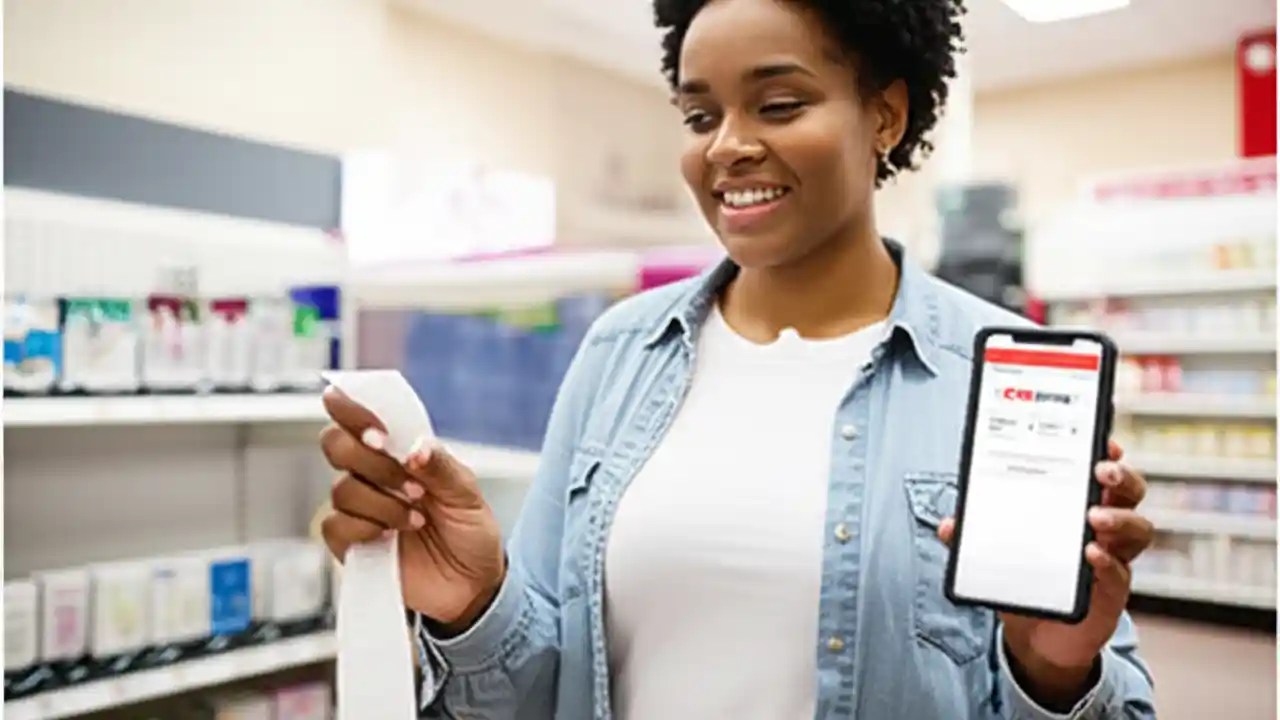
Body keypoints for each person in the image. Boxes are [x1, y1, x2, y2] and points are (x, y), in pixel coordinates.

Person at [318, 0, 1158, 717]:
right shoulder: (619, 353)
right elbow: (539, 690)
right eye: (700, 116)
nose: (726, 145)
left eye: (779, 104)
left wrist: (1054, 670)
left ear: (885, 115)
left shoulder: (992, 373)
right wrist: (472, 602)